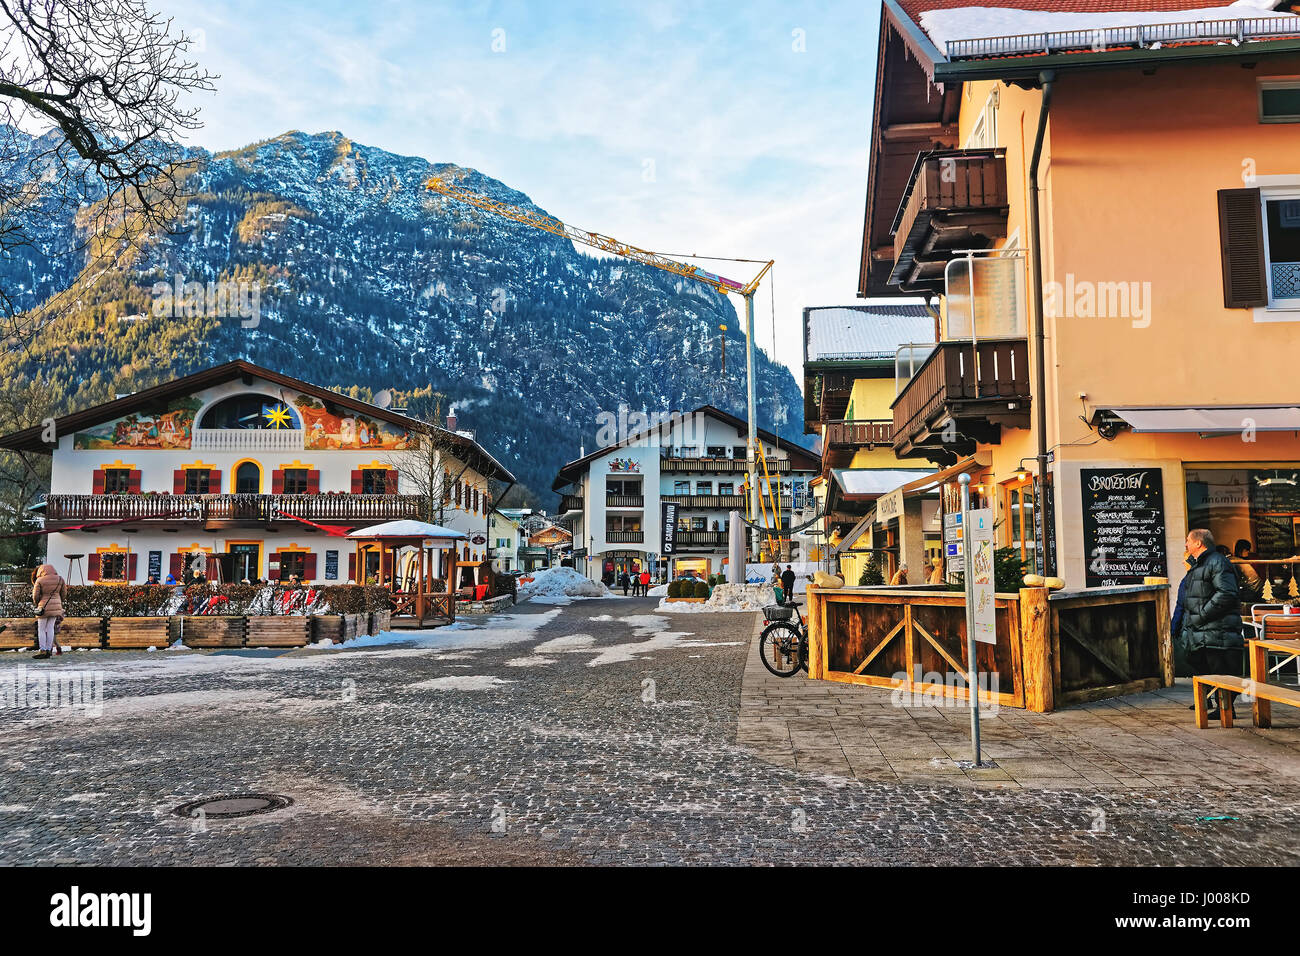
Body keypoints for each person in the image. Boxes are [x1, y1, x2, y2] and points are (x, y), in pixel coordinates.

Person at [1182, 528, 1244, 718]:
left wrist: (1201, 616)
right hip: (1205, 631)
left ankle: (1225, 710)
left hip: (1217, 630)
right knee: (1209, 670)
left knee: (1221, 670)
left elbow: (1226, 594)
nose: (1186, 544)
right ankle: (1222, 708)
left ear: (1198, 543)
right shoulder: (1198, 564)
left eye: (1188, 541)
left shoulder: (1216, 561)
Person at [31, 563, 66, 661]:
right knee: (50, 628)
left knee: (41, 628)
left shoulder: (40, 580)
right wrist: (58, 602)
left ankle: (42, 649)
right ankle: (49, 649)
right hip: (56, 606)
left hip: (43, 606)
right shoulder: (60, 579)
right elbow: (64, 594)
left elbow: (35, 595)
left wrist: (38, 603)